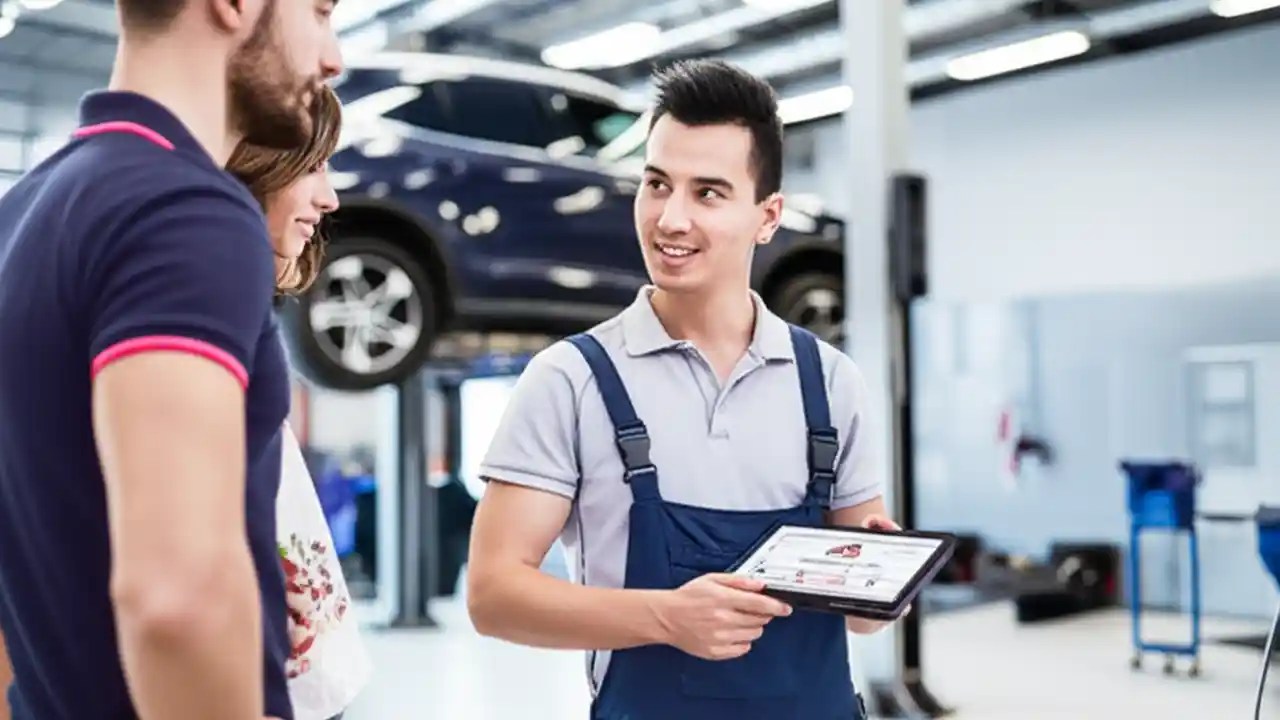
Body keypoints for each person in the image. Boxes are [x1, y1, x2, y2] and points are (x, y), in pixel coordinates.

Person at [467, 58, 901, 719]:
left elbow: (864, 623)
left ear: (767, 215)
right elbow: (494, 596)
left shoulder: (831, 384)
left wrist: (877, 580)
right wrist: (667, 617)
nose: (670, 219)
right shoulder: (571, 380)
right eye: (656, 184)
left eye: (708, 193)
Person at [0, 1, 342, 719]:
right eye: (319, 12)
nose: (331, 56)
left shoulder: (25, 210)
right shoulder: (187, 210)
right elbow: (177, 600)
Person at [226, 84, 373, 720]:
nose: (330, 196)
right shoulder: (200, 312)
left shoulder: (246, 308)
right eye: (313, 165)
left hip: (293, 675)